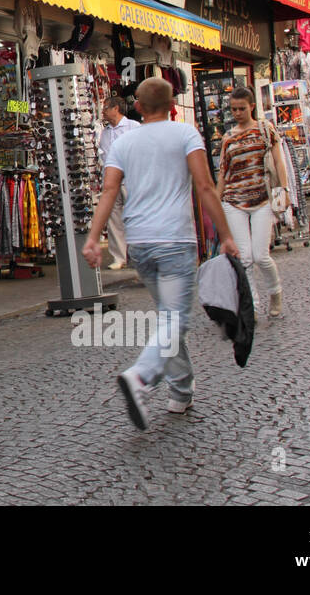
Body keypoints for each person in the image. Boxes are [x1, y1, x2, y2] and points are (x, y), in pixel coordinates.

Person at [83, 77, 239, 431]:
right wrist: (226, 236)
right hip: (174, 241)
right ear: (172, 106)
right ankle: (141, 377)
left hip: (140, 243)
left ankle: (181, 392)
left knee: (169, 317)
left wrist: (95, 238)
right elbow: (204, 186)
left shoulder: (125, 141)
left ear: (136, 105)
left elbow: (109, 191)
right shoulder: (185, 135)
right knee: (175, 319)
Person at [215, 87, 289, 319]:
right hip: (234, 200)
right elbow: (223, 173)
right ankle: (252, 307)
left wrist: (283, 191)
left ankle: (275, 293)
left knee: (260, 255)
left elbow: (278, 162)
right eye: (233, 109)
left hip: (263, 199)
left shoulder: (265, 129)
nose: (237, 113)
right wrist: (216, 201)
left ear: (252, 107)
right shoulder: (227, 137)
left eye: (241, 108)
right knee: (244, 258)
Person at [97, 95, 139, 270]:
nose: (103, 111)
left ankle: (137, 255)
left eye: (106, 107)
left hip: (131, 178)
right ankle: (119, 257)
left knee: (135, 217)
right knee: (114, 219)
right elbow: (104, 155)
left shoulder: (133, 127)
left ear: (116, 109)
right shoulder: (105, 132)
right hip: (112, 181)